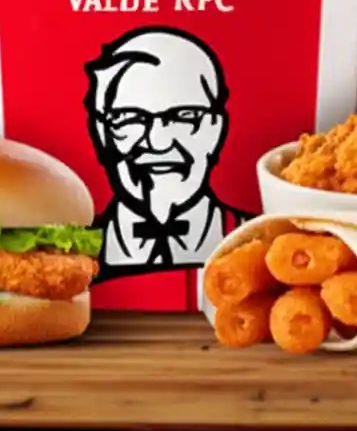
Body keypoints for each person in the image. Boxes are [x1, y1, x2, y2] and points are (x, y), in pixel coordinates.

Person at [84, 26, 251, 283]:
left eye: (184, 116)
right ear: (102, 133)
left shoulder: (260, 241)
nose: (158, 143)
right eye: (130, 118)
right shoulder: (72, 250)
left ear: (215, 129)